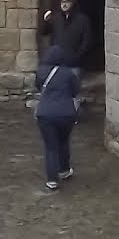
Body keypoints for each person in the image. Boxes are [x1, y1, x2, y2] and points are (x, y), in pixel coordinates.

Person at [35, 44, 81, 191]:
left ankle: (52, 180)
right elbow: (76, 92)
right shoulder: (69, 74)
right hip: (66, 114)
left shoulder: (41, 72)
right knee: (63, 142)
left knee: (51, 147)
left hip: (45, 114)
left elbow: (38, 87)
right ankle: (64, 170)